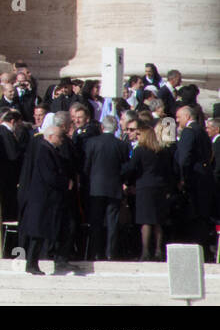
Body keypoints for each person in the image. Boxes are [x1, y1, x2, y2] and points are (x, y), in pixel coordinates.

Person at [20, 123, 75, 275]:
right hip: (42, 199)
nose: (62, 139)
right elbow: (49, 175)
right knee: (37, 233)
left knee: (40, 232)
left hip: (45, 199)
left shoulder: (49, 149)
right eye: (59, 136)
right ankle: (31, 264)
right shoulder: (44, 150)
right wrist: (66, 183)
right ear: (51, 136)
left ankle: (33, 263)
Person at [122, 119, 171, 261]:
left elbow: (132, 168)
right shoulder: (162, 151)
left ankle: (145, 251)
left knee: (145, 220)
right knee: (158, 221)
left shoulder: (140, 151)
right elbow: (168, 171)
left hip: (144, 187)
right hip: (160, 187)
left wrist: (125, 180)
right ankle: (158, 250)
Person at [83, 115, 128, 260]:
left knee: (96, 221)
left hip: (96, 188)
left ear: (102, 128)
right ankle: (111, 252)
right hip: (114, 188)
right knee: (112, 222)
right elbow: (125, 167)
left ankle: (95, 252)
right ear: (115, 129)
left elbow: (87, 165)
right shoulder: (121, 145)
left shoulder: (92, 142)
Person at [174, 104, 215, 247]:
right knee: (202, 214)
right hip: (204, 177)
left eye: (179, 117)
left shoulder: (189, 131)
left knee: (194, 213)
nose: (177, 120)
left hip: (193, 178)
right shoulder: (202, 131)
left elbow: (184, 158)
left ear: (187, 116)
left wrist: (182, 177)